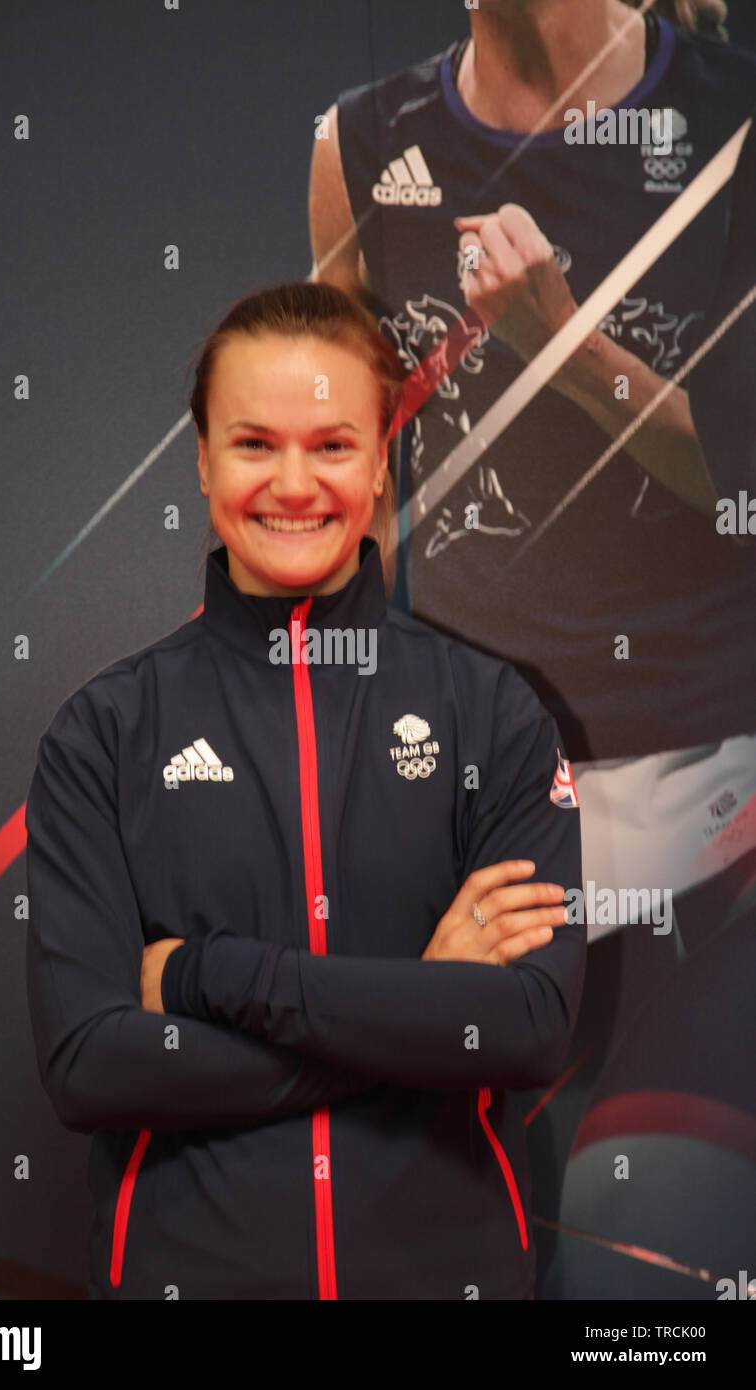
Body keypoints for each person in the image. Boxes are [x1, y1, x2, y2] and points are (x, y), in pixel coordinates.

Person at [309, 0, 756, 1294]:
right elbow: (355, 480)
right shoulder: (362, 143)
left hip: (714, 814)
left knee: (637, 1278)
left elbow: (742, 476)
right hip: (481, 822)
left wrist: (557, 335)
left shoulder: (732, 116)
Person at [24, 280, 586, 1299]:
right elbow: (91, 1067)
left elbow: (524, 1029)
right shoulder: (104, 733)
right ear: (199, 460)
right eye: (252, 444)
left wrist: (203, 975)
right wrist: (418, 1000)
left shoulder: (493, 713)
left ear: (381, 461)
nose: (293, 484)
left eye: (331, 444)